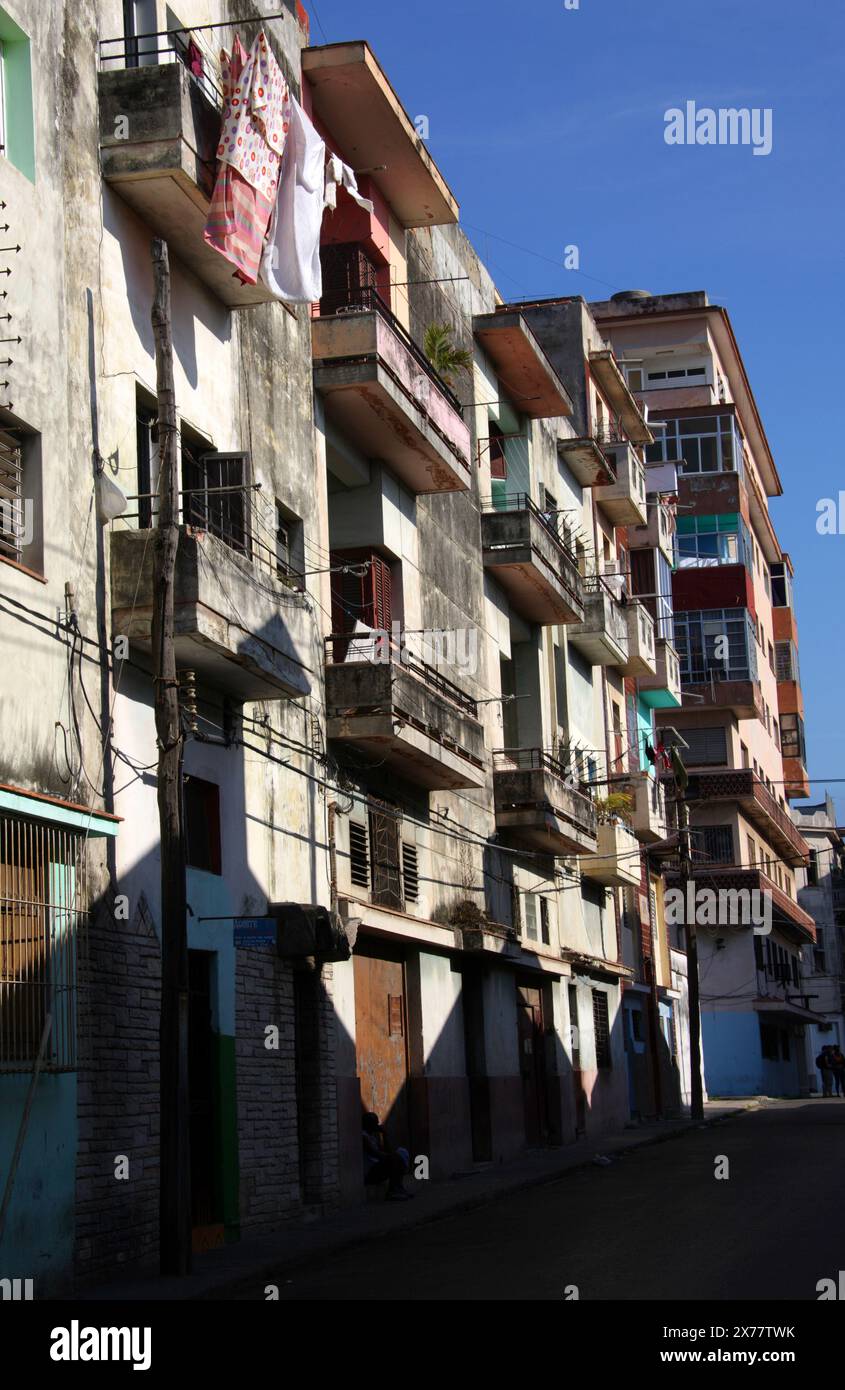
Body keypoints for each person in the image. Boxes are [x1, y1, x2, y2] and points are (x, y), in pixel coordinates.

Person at [362, 1112, 413, 1201]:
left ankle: (399, 1188)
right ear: (368, 1124)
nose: (377, 1126)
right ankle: (393, 1191)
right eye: (375, 1123)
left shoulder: (373, 1137)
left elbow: (387, 1151)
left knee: (401, 1153)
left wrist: (384, 1135)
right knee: (395, 1158)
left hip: (378, 1167)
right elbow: (377, 1154)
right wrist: (392, 1157)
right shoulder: (363, 1137)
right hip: (370, 1172)